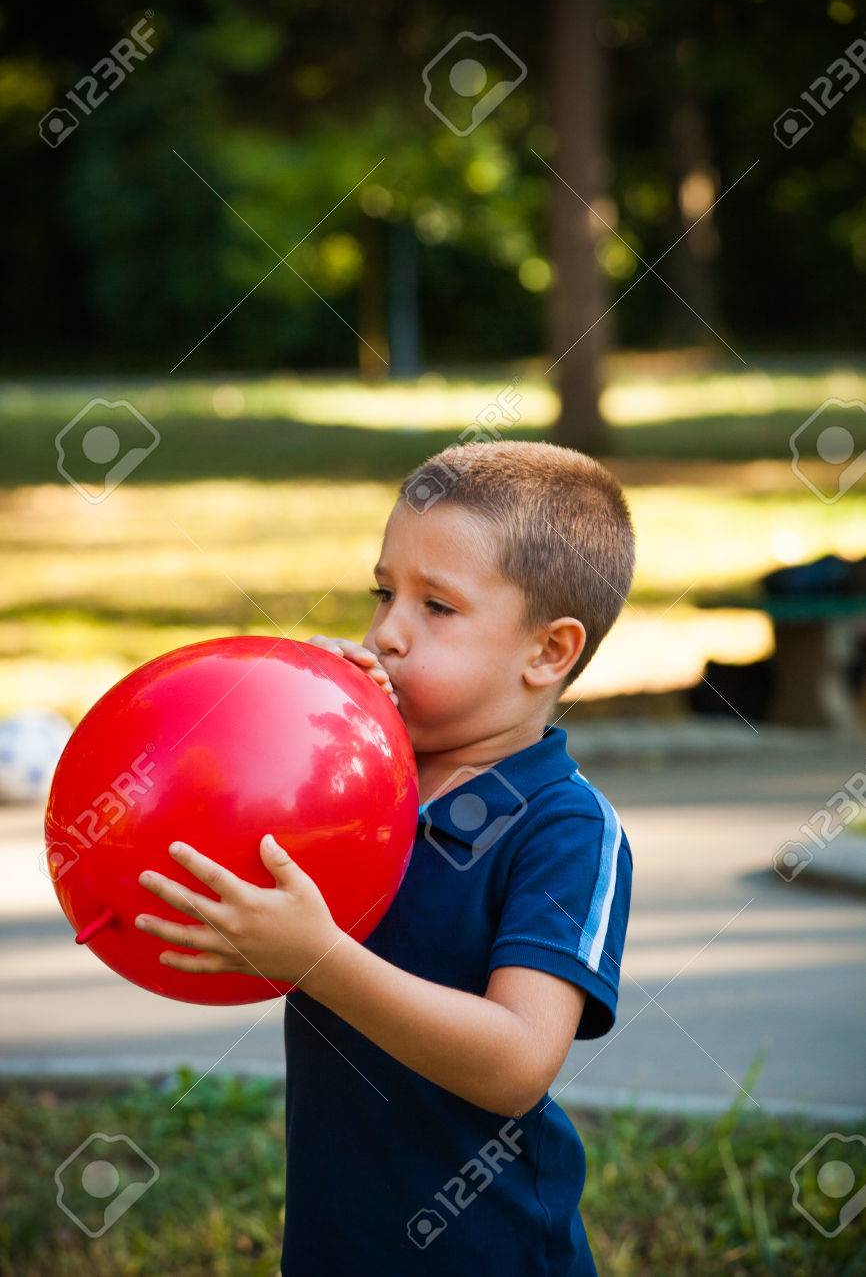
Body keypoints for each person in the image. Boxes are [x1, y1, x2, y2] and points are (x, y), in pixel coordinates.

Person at [138, 439, 635, 1275]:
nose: (388, 632)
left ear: (548, 652)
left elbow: (517, 1063)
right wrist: (303, 727)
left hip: (490, 1255)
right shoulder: (351, 782)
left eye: (436, 607)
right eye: (384, 592)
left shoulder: (566, 828)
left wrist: (322, 960)